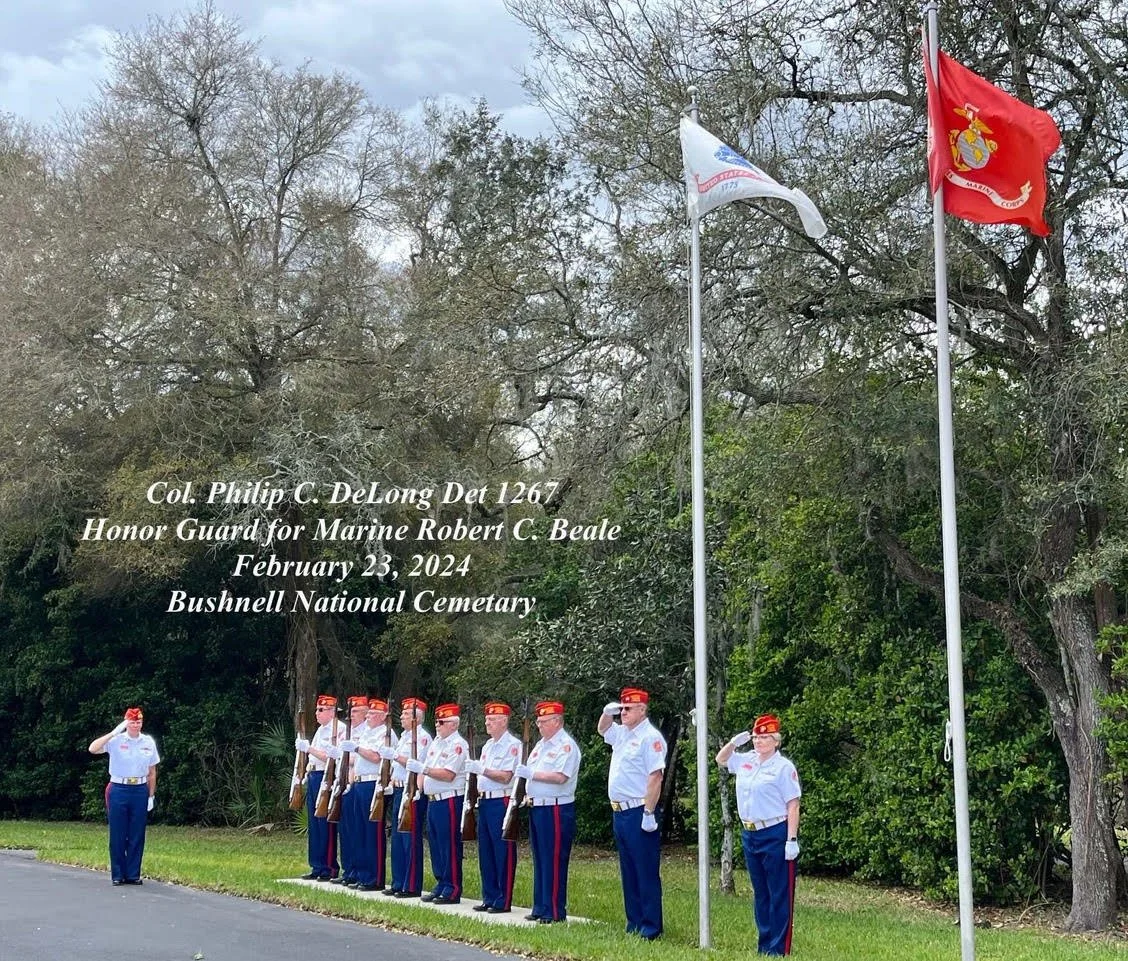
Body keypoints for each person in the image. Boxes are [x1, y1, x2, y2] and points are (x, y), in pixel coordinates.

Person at [715, 713, 801, 956]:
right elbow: (721, 760)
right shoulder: (747, 760)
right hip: (750, 832)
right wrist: (733, 743)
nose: (758, 742)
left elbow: (793, 804)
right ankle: (764, 943)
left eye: (764, 738)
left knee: (779, 891)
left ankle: (778, 947)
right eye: (755, 737)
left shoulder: (783, 767)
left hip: (775, 830)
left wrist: (791, 840)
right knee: (761, 892)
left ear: (776, 740)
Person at [598, 687, 666, 940]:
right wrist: (608, 712)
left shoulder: (650, 737)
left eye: (628, 708)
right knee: (628, 869)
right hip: (620, 811)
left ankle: (651, 926)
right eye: (621, 708)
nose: (623, 712)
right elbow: (603, 729)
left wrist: (649, 812)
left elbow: (655, 777)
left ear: (642, 709)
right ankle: (634, 922)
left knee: (645, 869)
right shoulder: (623, 733)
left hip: (640, 809)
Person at [517, 700, 581, 924]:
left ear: (556, 721)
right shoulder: (541, 745)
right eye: (538, 721)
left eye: (543, 721)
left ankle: (554, 910)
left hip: (556, 807)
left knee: (553, 859)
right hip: (538, 806)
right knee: (541, 858)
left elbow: (560, 777)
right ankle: (541, 905)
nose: (539, 725)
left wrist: (531, 774)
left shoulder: (566, 745)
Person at [88, 707, 160, 886]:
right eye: (132, 722)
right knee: (118, 833)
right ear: (126, 723)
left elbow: (152, 772)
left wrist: (150, 795)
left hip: (139, 789)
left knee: (137, 834)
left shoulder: (148, 741)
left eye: (138, 722)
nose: (136, 725)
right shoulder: (116, 740)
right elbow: (93, 749)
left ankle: (133, 874)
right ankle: (118, 874)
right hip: (119, 788)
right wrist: (114, 732)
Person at [467, 701, 520, 914]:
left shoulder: (513, 745)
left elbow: (506, 776)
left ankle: (503, 899)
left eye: (492, 719)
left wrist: (482, 769)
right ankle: (489, 895)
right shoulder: (488, 746)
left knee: (502, 851)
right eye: (487, 718)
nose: (487, 722)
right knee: (486, 851)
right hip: (485, 801)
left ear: (504, 721)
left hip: (501, 800)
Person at [413, 702, 468, 904]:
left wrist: (425, 771)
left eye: (442, 721)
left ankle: (452, 888)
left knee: (449, 845)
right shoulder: (436, 743)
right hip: (433, 800)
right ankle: (441, 883)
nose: (437, 724)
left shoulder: (458, 745)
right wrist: (418, 789)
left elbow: (448, 774)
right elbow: (425, 768)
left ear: (453, 724)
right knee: (436, 844)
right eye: (436, 721)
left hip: (450, 799)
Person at [383, 696, 432, 898]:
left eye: (405, 714)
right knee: (397, 837)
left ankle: (411, 884)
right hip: (398, 788)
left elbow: (416, 764)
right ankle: (398, 881)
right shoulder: (404, 736)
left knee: (410, 838)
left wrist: (395, 756)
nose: (401, 716)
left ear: (416, 718)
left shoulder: (422, 738)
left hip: (411, 790)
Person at [346, 697, 392, 891]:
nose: (369, 716)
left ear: (382, 716)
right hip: (359, 783)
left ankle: (375, 877)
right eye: (369, 713)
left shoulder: (385, 734)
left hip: (373, 782)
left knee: (372, 832)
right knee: (360, 831)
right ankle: (362, 874)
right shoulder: (367, 732)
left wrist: (356, 748)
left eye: (373, 714)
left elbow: (375, 757)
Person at [296, 694, 340, 881]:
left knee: (325, 823)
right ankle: (316, 865)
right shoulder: (321, 730)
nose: (317, 713)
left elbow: (332, 757)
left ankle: (329, 866)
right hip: (314, 775)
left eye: (321, 710)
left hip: (326, 776)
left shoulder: (338, 729)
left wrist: (309, 749)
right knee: (314, 824)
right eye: (317, 709)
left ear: (331, 711)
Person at [331, 695, 370, 887]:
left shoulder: (366, 732)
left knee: (356, 830)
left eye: (355, 711)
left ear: (365, 713)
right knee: (345, 830)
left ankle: (357, 870)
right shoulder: (346, 731)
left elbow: (359, 758)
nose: (351, 715)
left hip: (356, 783)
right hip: (343, 781)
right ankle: (348, 870)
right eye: (350, 711)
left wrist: (348, 754)